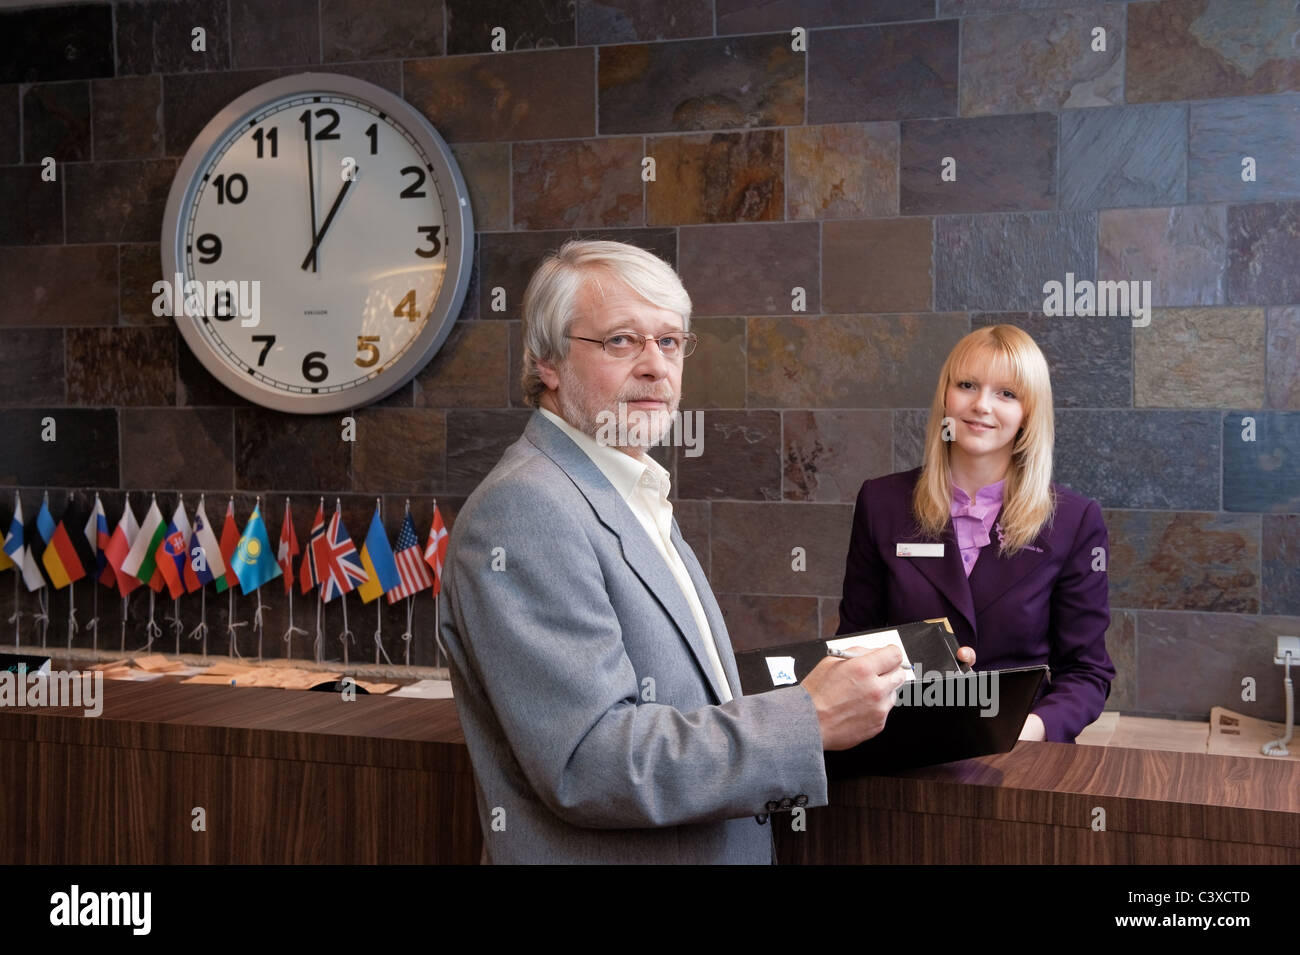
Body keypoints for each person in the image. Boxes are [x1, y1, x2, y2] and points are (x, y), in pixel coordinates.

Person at [438, 239, 970, 864]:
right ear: (547, 361)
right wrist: (809, 718)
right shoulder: (526, 509)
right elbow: (589, 762)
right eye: (620, 340)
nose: (654, 366)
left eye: (669, 341)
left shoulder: (628, 487)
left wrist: (882, 689)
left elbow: (690, 697)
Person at [837, 325, 1115, 743]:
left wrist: (1023, 731)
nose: (981, 405)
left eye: (1007, 393)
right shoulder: (882, 502)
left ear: (1028, 413)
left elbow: (1086, 672)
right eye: (967, 385)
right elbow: (855, 641)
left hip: (1019, 753)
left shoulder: (1074, 520)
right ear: (946, 397)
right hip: (902, 744)